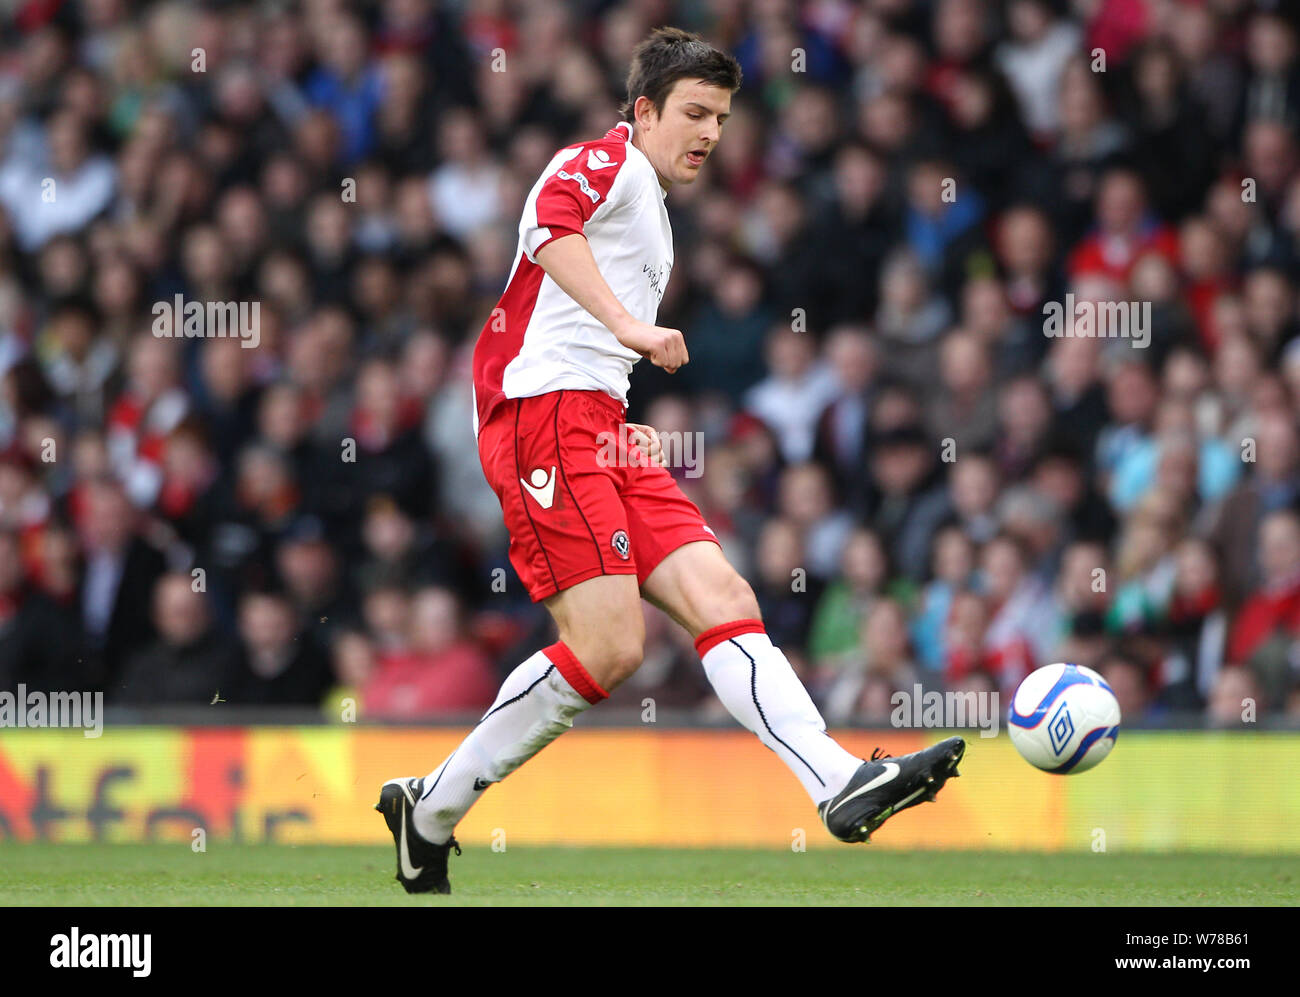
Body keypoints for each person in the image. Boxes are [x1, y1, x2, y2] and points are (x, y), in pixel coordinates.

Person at [375, 27, 964, 895]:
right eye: (693, 112)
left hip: (596, 422)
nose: (709, 133)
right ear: (642, 111)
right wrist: (629, 331)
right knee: (609, 648)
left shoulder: (648, 201)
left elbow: (577, 327)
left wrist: (618, 403)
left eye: (720, 119)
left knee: (724, 596)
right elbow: (546, 229)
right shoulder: (601, 162)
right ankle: (431, 808)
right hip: (542, 419)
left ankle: (838, 782)